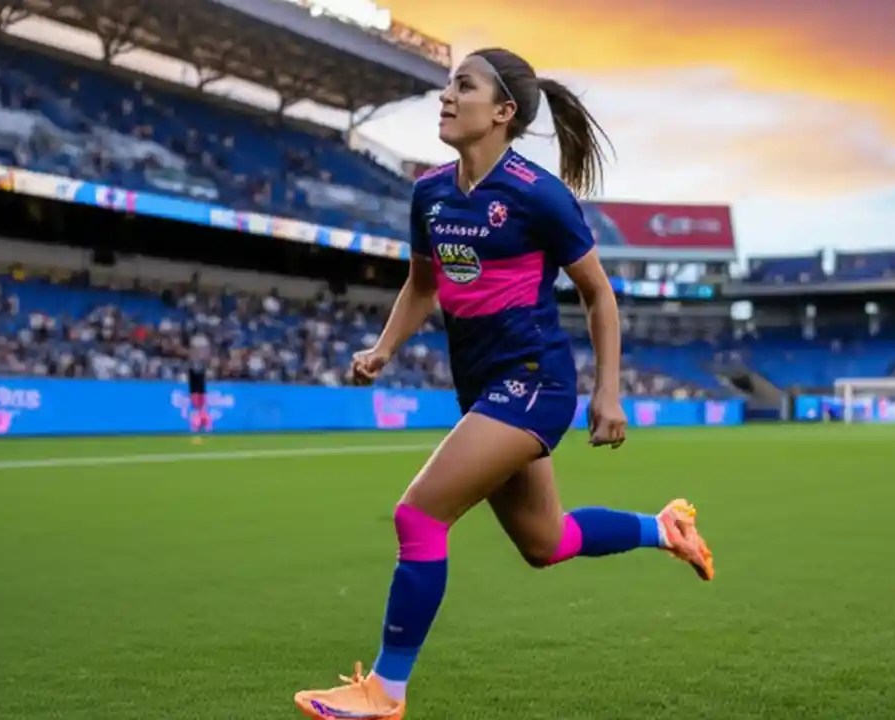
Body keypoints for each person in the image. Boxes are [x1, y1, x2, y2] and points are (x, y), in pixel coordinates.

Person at [293, 47, 715, 720]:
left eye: (464, 86)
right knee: (546, 543)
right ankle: (664, 530)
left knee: (419, 514)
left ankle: (385, 693)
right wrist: (383, 347)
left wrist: (608, 392)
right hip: (483, 388)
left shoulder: (538, 194)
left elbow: (599, 296)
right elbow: (422, 284)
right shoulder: (429, 193)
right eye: (448, 85)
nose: (446, 96)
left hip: (536, 382)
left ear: (503, 112)